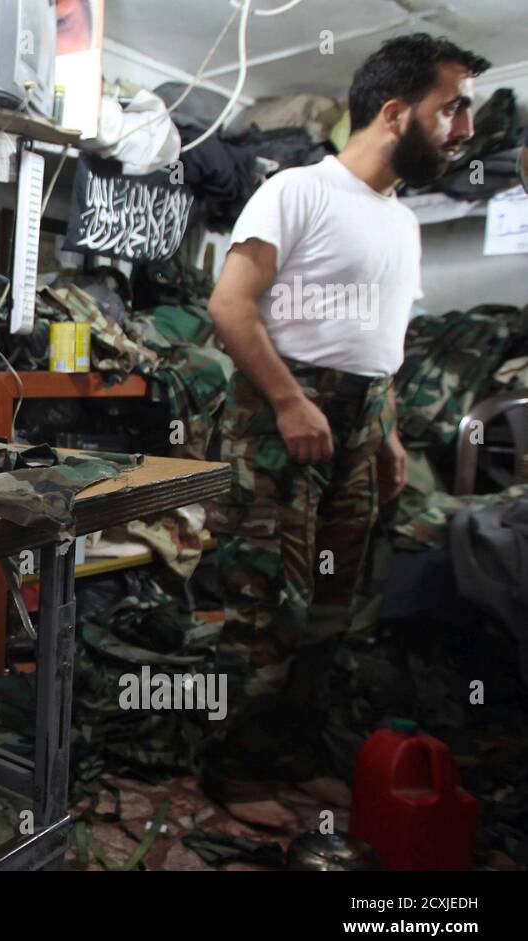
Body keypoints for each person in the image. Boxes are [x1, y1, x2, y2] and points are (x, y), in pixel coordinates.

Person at [203, 34, 488, 828]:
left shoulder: (401, 222)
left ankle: (290, 757)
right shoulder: (297, 191)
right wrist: (293, 404)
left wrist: (388, 432)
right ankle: (231, 771)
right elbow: (230, 306)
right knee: (266, 606)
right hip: (278, 417)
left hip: (360, 424)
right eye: (452, 107)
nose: (463, 128)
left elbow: (377, 345)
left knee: (333, 610)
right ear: (396, 112)